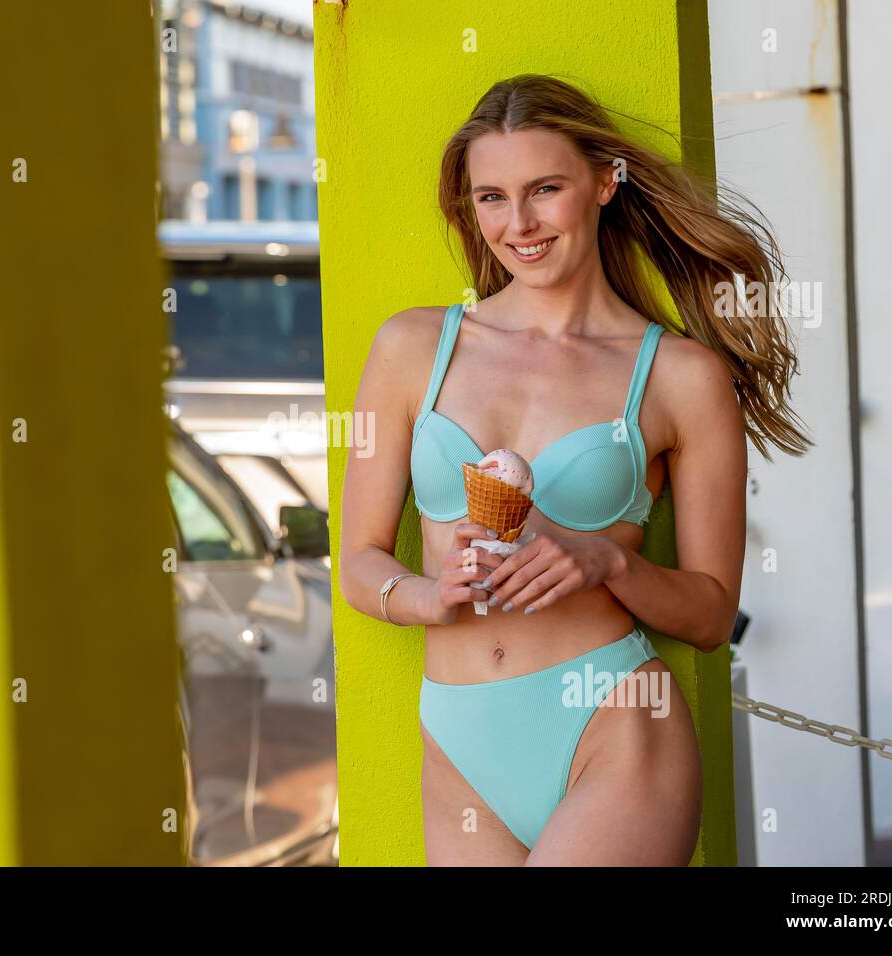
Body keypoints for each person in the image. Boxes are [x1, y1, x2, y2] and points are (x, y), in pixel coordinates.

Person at [337, 74, 812, 866]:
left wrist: (607, 559)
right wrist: (429, 593)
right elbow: (357, 562)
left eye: (544, 189)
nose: (516, 224)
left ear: (604, 182)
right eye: (490, 197)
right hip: (459, 741)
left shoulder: (680, 377)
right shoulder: (409, 348)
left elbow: (708, 615)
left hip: (614, 729)